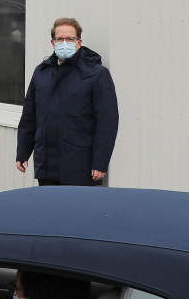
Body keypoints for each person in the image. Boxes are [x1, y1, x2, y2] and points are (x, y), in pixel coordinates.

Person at [16, 18, 119, 186]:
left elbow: (107, 122)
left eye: (70, 39)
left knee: (79, 211)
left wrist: (100, 163)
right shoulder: (42, 72)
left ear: (79, 42)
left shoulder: (96, 74)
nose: (65, 43)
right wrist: (23, 152)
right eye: (60, 39)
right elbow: (29, 116)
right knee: (49, 210)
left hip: (79, 166)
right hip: (47, 164)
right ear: (53, 42)